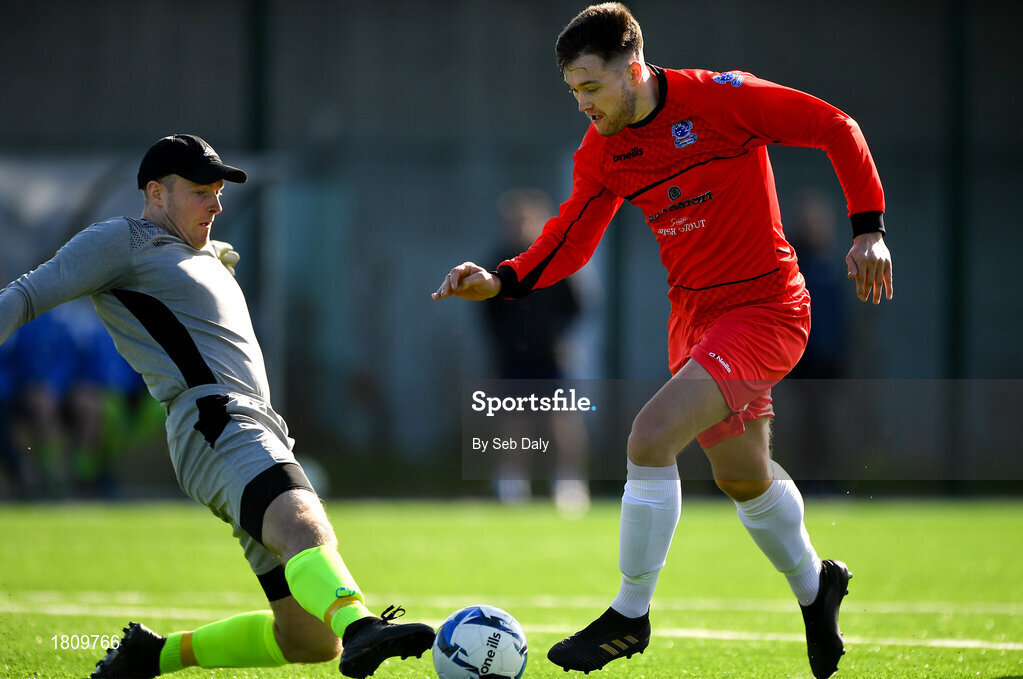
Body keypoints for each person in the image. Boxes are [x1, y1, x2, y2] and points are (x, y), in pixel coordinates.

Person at [432, 4, 893, 678]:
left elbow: (834, 126)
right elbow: (569, 235)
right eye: (572, 92)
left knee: (649, 436)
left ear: (633, 69)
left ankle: (629, 613)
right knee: (740, 476)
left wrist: (867, 228)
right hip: (694, 320)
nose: (582, 105)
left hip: (766, 307)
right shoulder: (604, 152)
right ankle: (814, 589)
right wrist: (501, 280)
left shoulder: (721, 99)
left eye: (591, 87)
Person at [0, 134, 434, 679]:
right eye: (202, 191)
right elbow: (24, 294)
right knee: (302, 520)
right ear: (156, 193)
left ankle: (152, 656)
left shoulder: (195, 247)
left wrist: (208, 256)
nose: (217, 203)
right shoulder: (119, 240)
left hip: (252, 422)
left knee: (309, 640)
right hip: (215, 419)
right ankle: (361, 625)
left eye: (218, 191)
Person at [482, 188, 591, 513]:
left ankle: (569, 484)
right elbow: (487, 313)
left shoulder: (553, 262)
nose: (517, 228)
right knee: (513, 420)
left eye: (524, 221)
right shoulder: (495, 264)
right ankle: (512, 484)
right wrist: (503, 343)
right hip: (513, 359)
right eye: (512, 223)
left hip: (550, 358)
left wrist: (558, 339)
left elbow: (577, 306)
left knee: (562, 420)